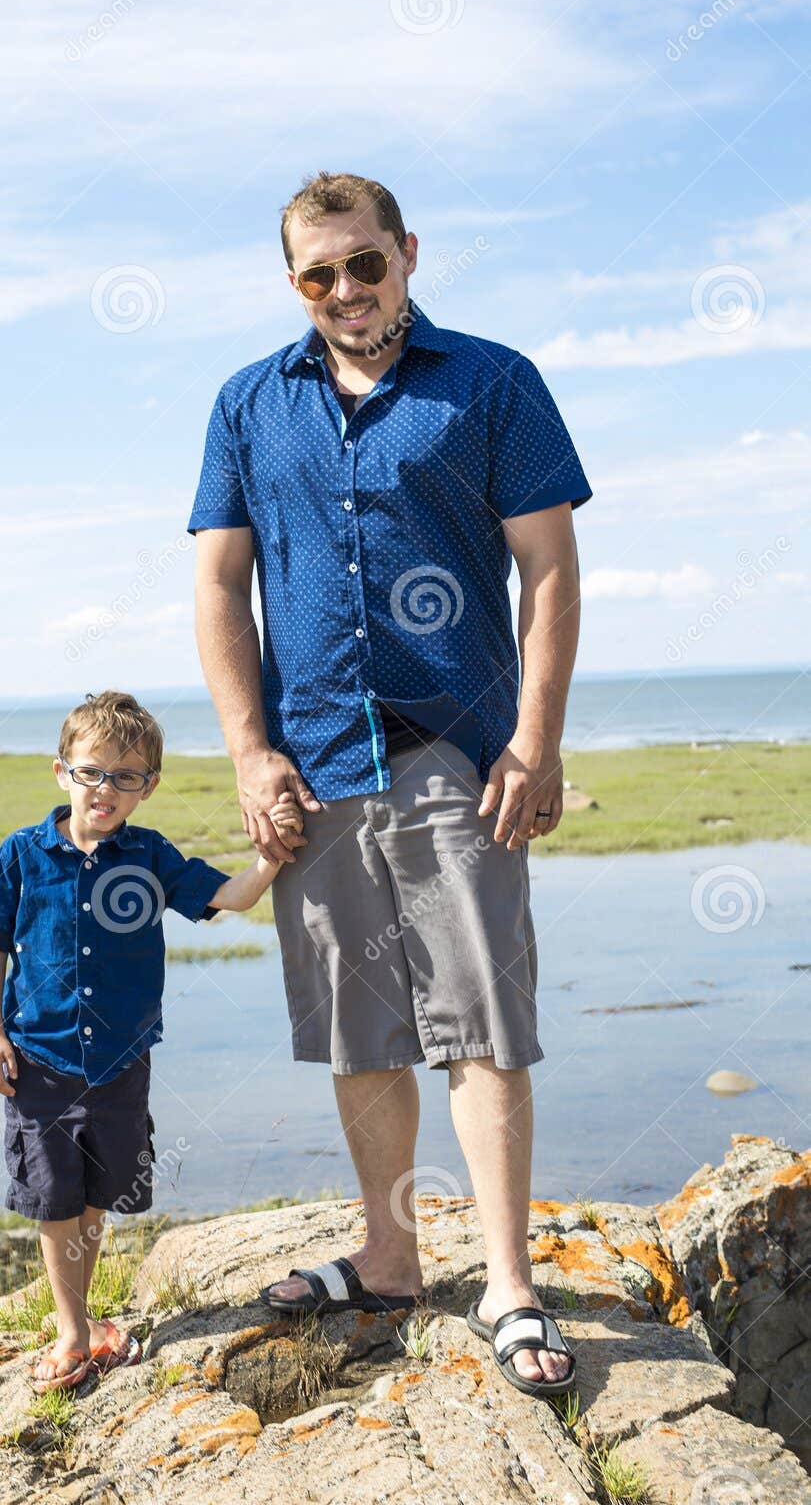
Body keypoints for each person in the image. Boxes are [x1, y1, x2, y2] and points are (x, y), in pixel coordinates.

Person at [188, 171, 592, 1396]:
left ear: (406, 254)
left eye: (365, 264)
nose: (347, 292)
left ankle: (511, 1286)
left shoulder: (493, 382)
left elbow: (550, 570)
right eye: (320, 275)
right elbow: (216, 588)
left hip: (458, 759)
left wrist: (534, 740)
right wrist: (251, 752)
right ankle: (391, 1253)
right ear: (293, 283)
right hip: (313, 765)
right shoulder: (246, 403)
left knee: (479, 1024)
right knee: (360, 1033)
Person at [0, 688, 303, 1393]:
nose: (105, 789)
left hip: (120, 1065)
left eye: (125, 776)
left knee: (92, 1200)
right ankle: (71, 1332)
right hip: (38, 1062)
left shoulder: (149, 855)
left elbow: (232, 896)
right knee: (54, 1201)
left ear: (147, 786)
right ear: (63, 772)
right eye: (92, 772)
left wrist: (273, 852)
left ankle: (86, 1321)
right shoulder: (22, 855)